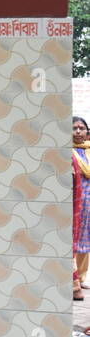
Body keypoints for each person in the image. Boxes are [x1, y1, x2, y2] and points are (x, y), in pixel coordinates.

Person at [74, 117, 90, 301]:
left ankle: (82, 276)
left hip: (89, 201)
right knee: (74, 239)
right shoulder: (66, 151)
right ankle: (73, 279)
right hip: (76, 201)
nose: (78, 131)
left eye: (81, 128)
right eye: (74, 128)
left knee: (86, 238)